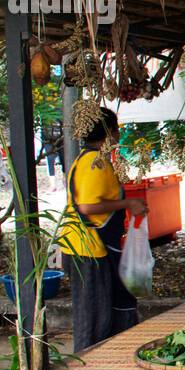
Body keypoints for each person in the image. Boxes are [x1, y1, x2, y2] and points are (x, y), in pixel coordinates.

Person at [55, 107, 147, 352]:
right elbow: (87, 206)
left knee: (108, 307)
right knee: (93, 313)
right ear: (109, 133)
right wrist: (128, 203)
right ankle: (88, 366)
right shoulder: (93, 163)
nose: (118, 134)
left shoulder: (93, 159)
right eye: (116, 129)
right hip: (87, 249)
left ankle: (114, 354)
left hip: (93, 247)